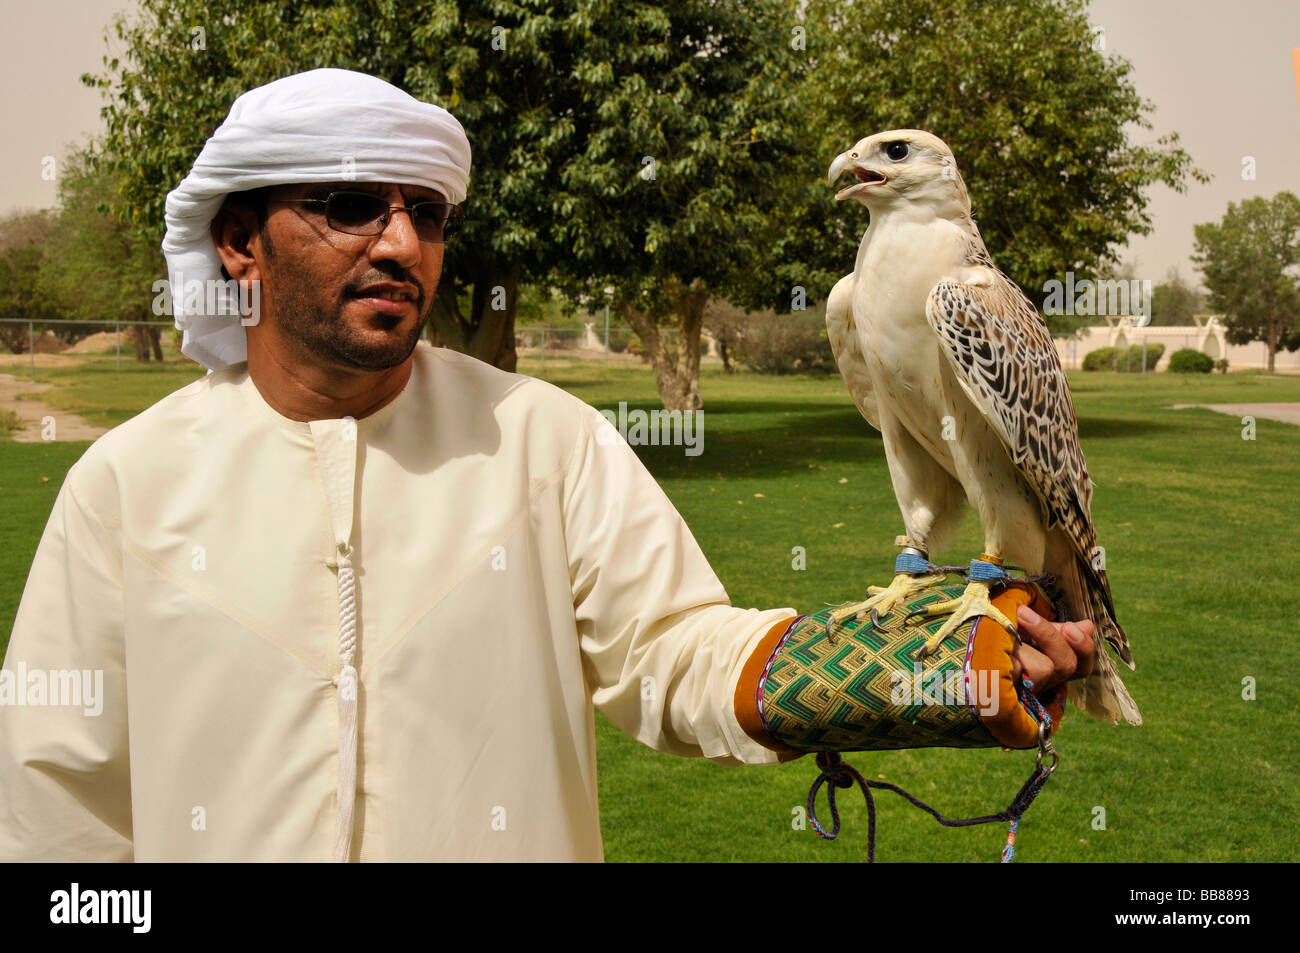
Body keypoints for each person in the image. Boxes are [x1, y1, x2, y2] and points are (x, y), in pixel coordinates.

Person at [0, 69, 1094, 862]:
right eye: (348, 206)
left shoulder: (542, 436)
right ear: (240, 242)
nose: (397, 242)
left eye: (423, 213)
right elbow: (51, 801)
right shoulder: (126, 485)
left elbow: (674, 651)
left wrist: (892, 675)